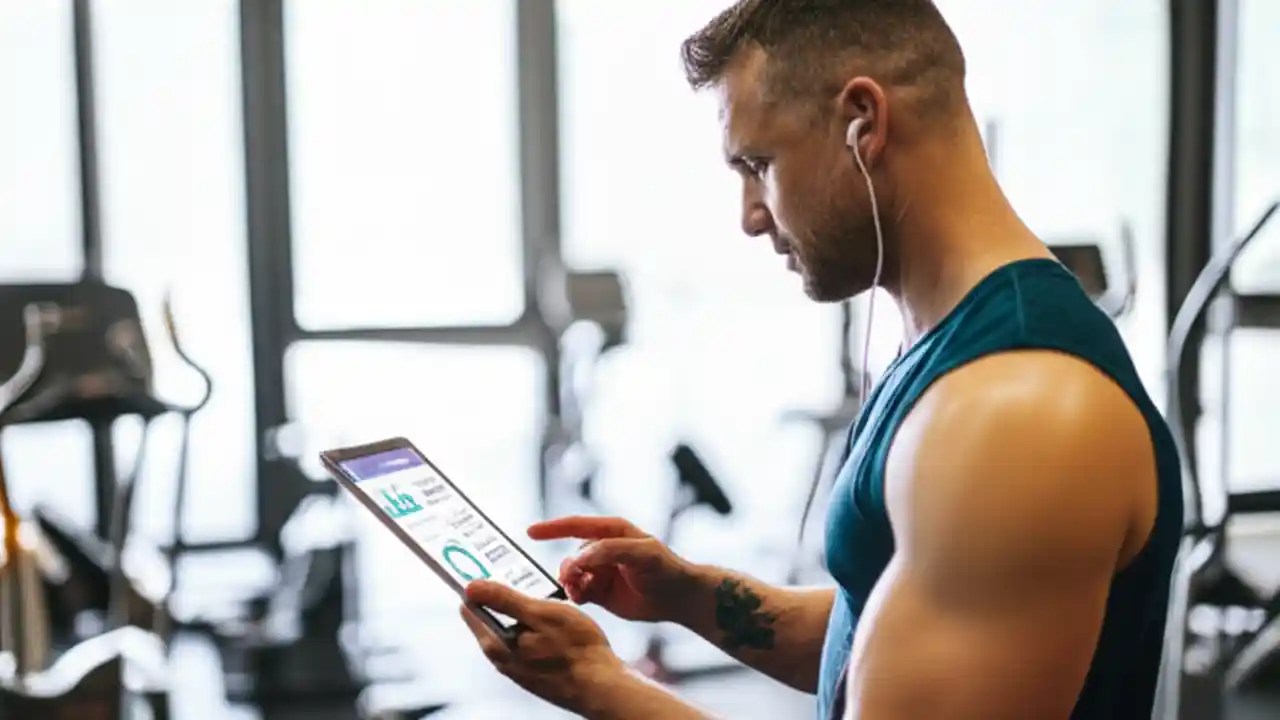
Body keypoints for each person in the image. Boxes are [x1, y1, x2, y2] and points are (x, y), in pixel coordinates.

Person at [459, 1, 1183, 718]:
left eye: (758, 163)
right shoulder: (955, 353)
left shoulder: (1016, 410)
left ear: (862, 121)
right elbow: (872, 632)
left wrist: (597, 683)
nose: (749, 215)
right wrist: (690, 594)